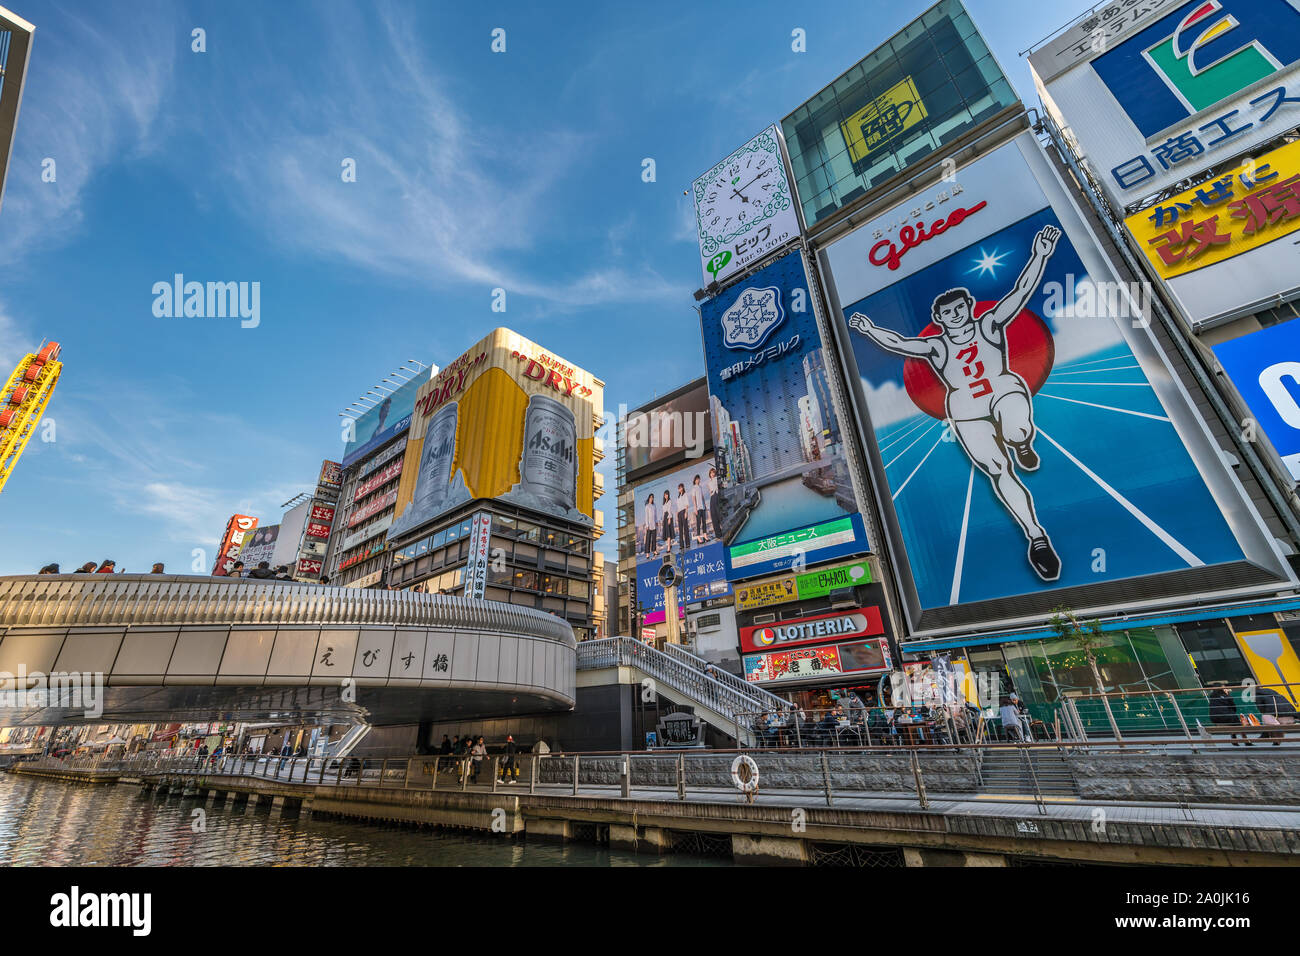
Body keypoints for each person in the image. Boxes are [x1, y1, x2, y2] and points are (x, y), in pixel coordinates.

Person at [848, 224, 1064, 582]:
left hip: (1002, 389)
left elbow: (1021, 291)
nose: (956, 315)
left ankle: (1022, 443)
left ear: (968, 307)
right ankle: (1037, 537)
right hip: (965, 408)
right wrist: (870, 330)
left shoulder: (990, 324)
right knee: (997, 470)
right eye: (948, 313)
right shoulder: (936, 347)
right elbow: (900, 343)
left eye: (960, 308)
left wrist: (1039, 255)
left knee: (1016, 429)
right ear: (940, 319)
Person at [691, 474, 707, 542]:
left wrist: (705, 504)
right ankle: (698, 537)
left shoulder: (700, 487)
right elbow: (693, 498)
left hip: (702, 507)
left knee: (704, 522)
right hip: (698, 508)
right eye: (697, 479)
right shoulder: (693, 488)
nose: (698, 480)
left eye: (699, 479)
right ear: (695, 480)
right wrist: (695, 508)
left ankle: (705, 535)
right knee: (698, 523)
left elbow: (702, 496)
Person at [675, 483, 691, 549]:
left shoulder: (685, 494)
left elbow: (687, 504)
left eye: (681, 488)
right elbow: (678, 507)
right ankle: (681, 545)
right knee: (680, 530)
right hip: (679, 513)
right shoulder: (678, 497)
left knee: (686, 529)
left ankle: (687, 544)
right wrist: (676, 515)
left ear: (683, 488)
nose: (680, 489)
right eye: (679, 488)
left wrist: (686, 513)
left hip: (684, 511)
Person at [642, 492, 658, 558]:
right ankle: (647, 553)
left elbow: (655, 515)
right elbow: (646, 516)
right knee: (648, 539)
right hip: (649, 525)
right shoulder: (647, 506)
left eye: (652, 497)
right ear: (649, 498)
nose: (651, 499)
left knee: (654, 539)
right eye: (650, 497)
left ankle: (654, 550)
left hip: (654, 524)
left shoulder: (654, 506)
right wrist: (647, 525)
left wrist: (656, 521)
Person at [708, 466, 721, 539]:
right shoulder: (709, 482)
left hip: (717, 495)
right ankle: (718, 535)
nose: (712, 474)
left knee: (718, 514)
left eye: (713, 473)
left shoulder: (717, 479)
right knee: (713, 516)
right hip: (712, 497)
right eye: (711, 473)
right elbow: (710, 490)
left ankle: (721, 532)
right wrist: (711, 492)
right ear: (709, 474)